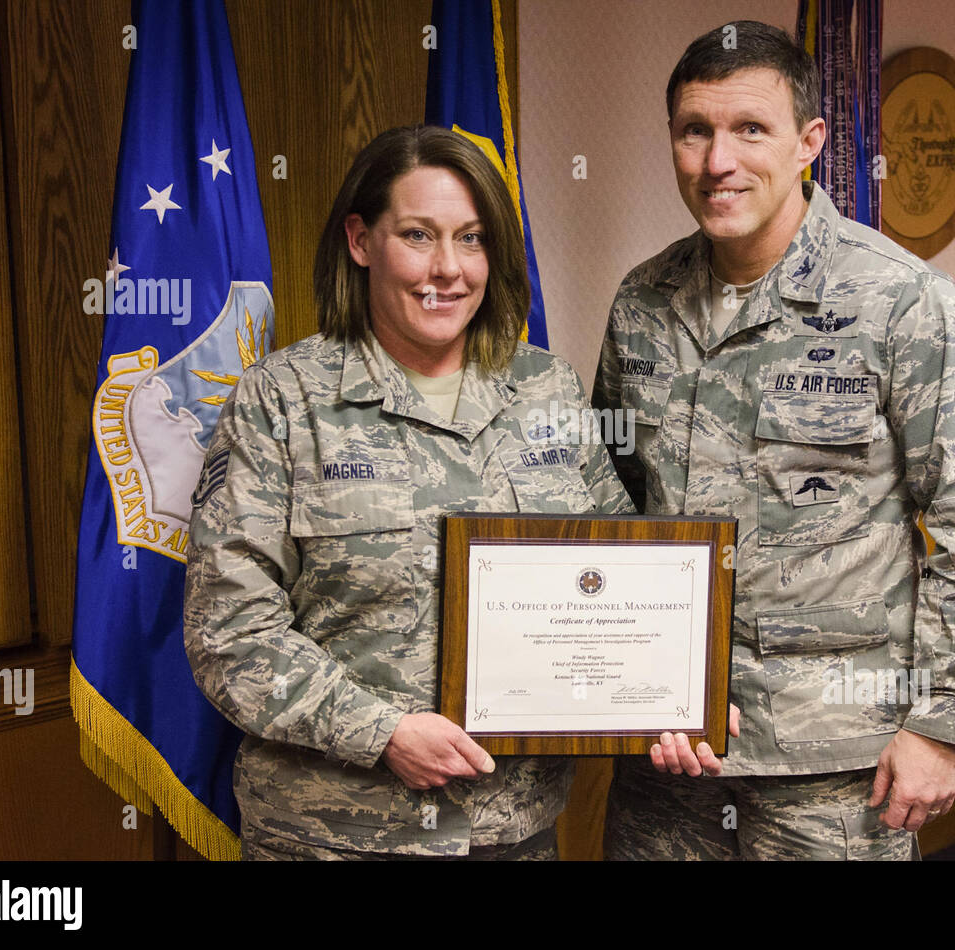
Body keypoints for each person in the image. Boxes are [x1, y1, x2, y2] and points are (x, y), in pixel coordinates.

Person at [593, 21, 955, 860]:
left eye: (749, 129)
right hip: (669, 752)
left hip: (835, 764)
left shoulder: (903, 303)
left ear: (810, 142)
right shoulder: (642, 304)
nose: (717, 160)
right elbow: (611, 508)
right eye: (695, 131)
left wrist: (944, 725)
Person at [184, 125, 632, 860]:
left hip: (512, 830)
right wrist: (381, 733)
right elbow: (229, 632)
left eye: (473, 238)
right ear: (361, 241)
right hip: (337, 836)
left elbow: (622, 570)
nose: (448, 269)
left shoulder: (545, 387)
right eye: (419, 235)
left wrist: (667, 696)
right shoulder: (282, 402)